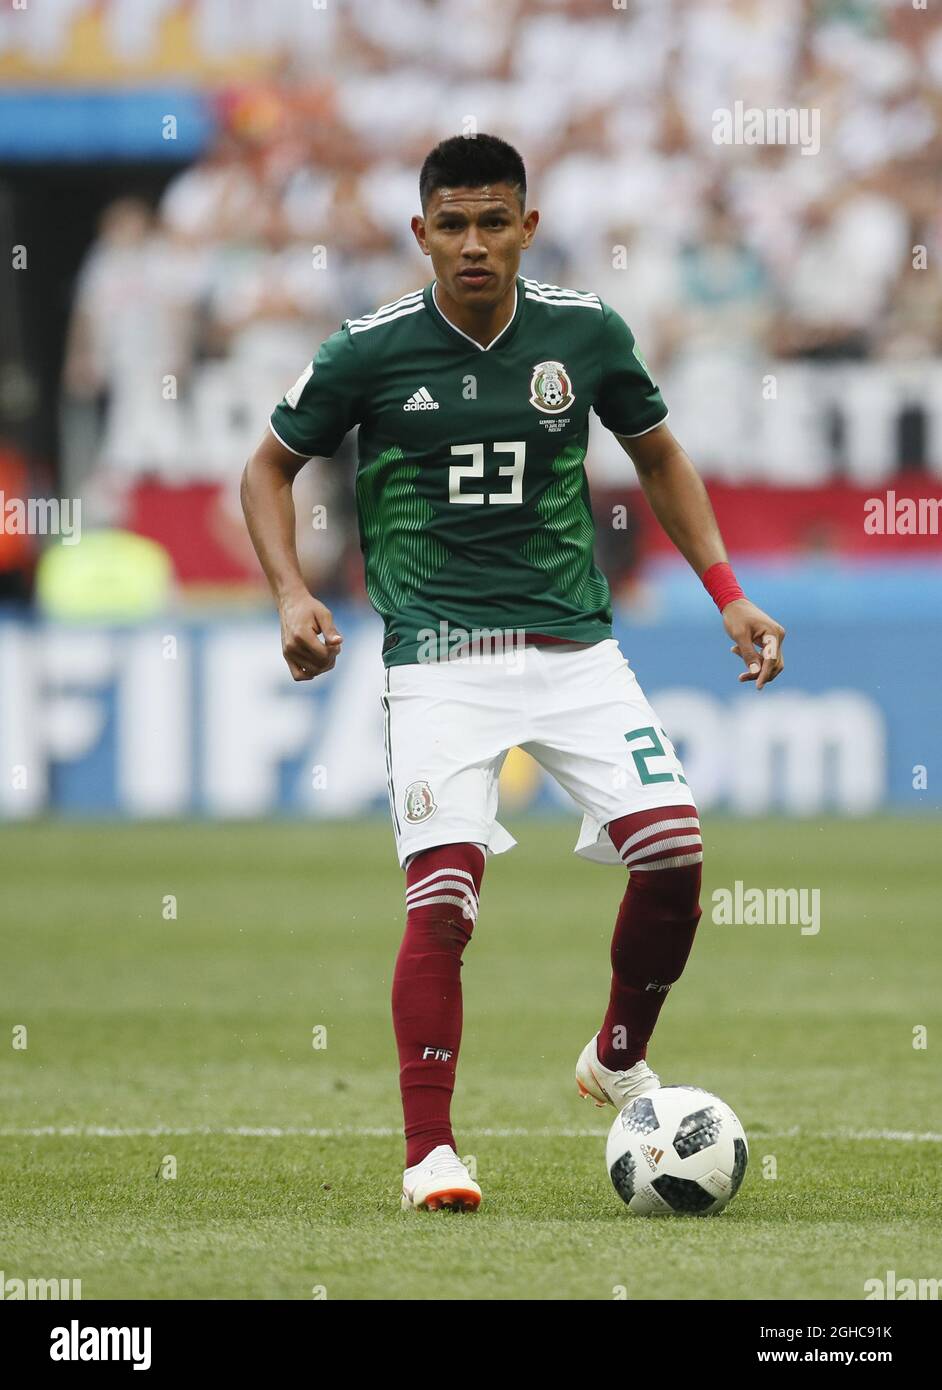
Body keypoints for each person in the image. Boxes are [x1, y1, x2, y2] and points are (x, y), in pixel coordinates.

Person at [241, 134, 786, 1213]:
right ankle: (430, 1154)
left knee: (675, 853)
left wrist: (729, 592)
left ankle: (618, 1056)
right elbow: (267, 468)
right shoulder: (368, 350)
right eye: (454, 225)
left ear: (528, 228)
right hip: (437, 664)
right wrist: (294, 595)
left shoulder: (583, 333)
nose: (475, 245)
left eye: (496, 223)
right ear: (422, 235)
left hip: (574, 650)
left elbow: (662, 454)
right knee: (442, 898)